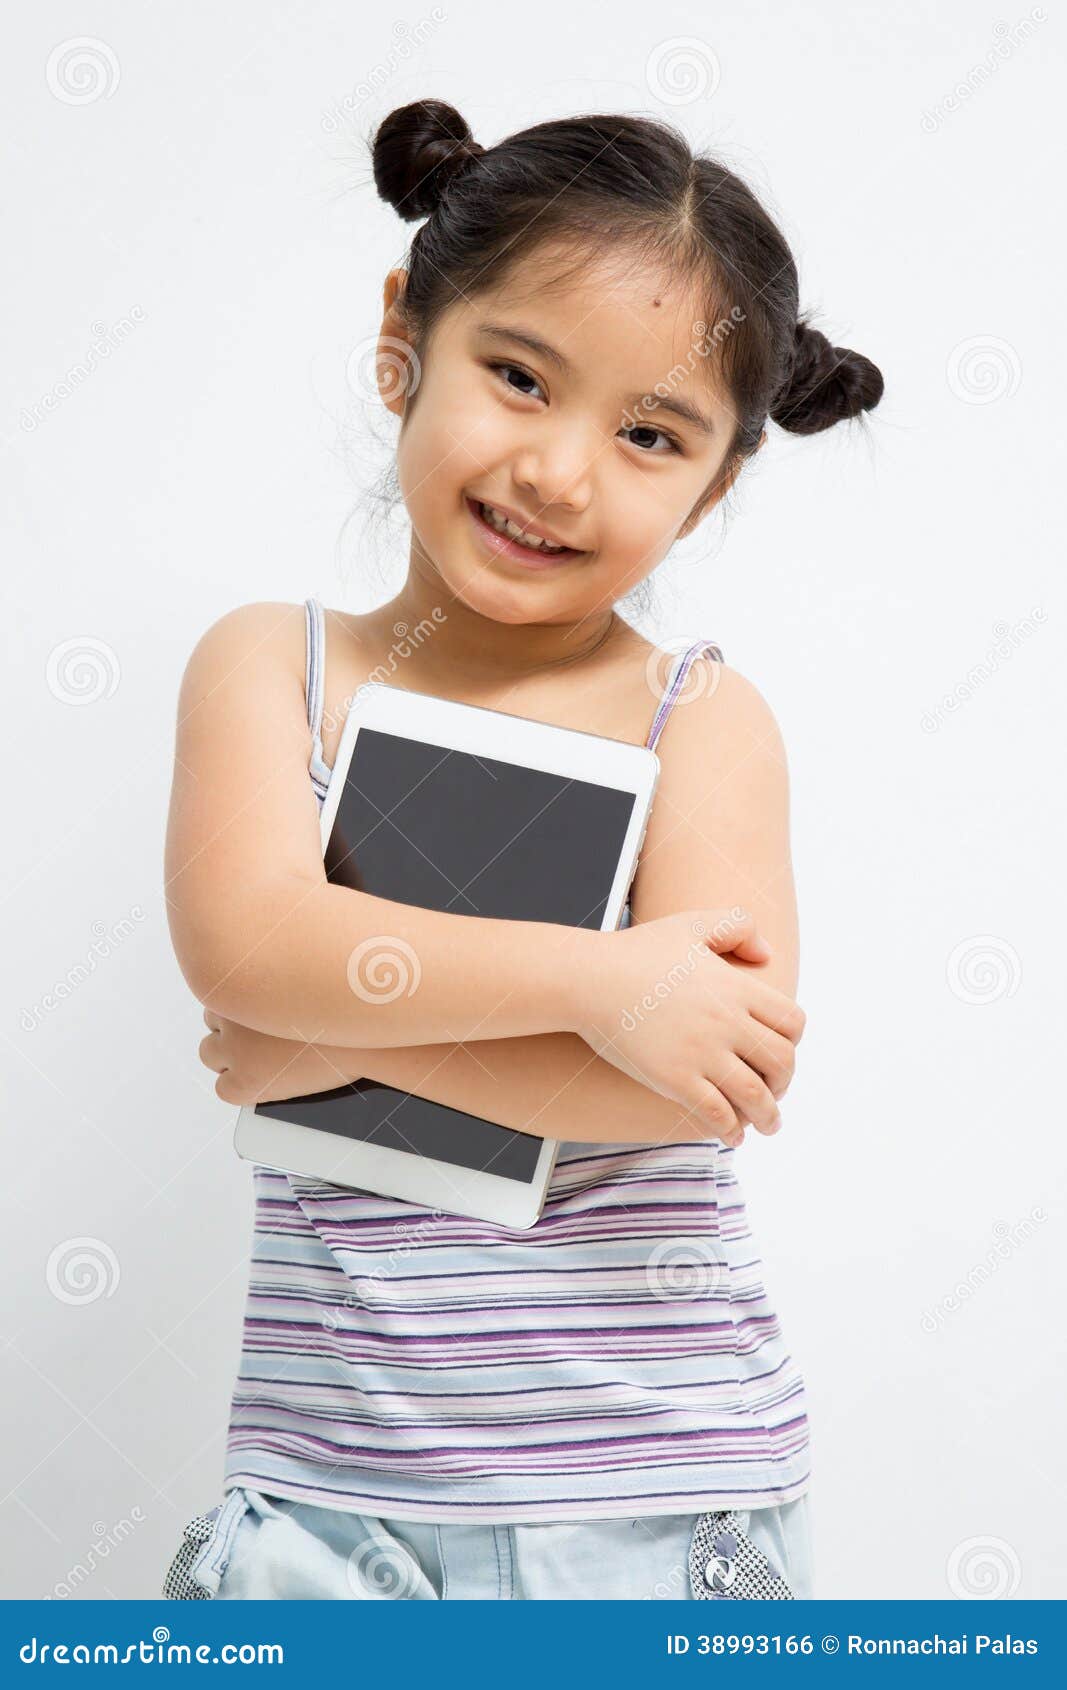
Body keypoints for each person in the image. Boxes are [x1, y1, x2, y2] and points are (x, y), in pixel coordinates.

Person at [162, 99, 883, 1601]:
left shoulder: (700, 718)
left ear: (718, 480)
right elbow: (248, 947)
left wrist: (327, 1049)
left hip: (667, 1491)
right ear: (401, 340)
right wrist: (603, 980)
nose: (560, 472)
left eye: (646, 433)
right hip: (330, 1500)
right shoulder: (272, 670)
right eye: (517, 376)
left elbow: (706, 1071)